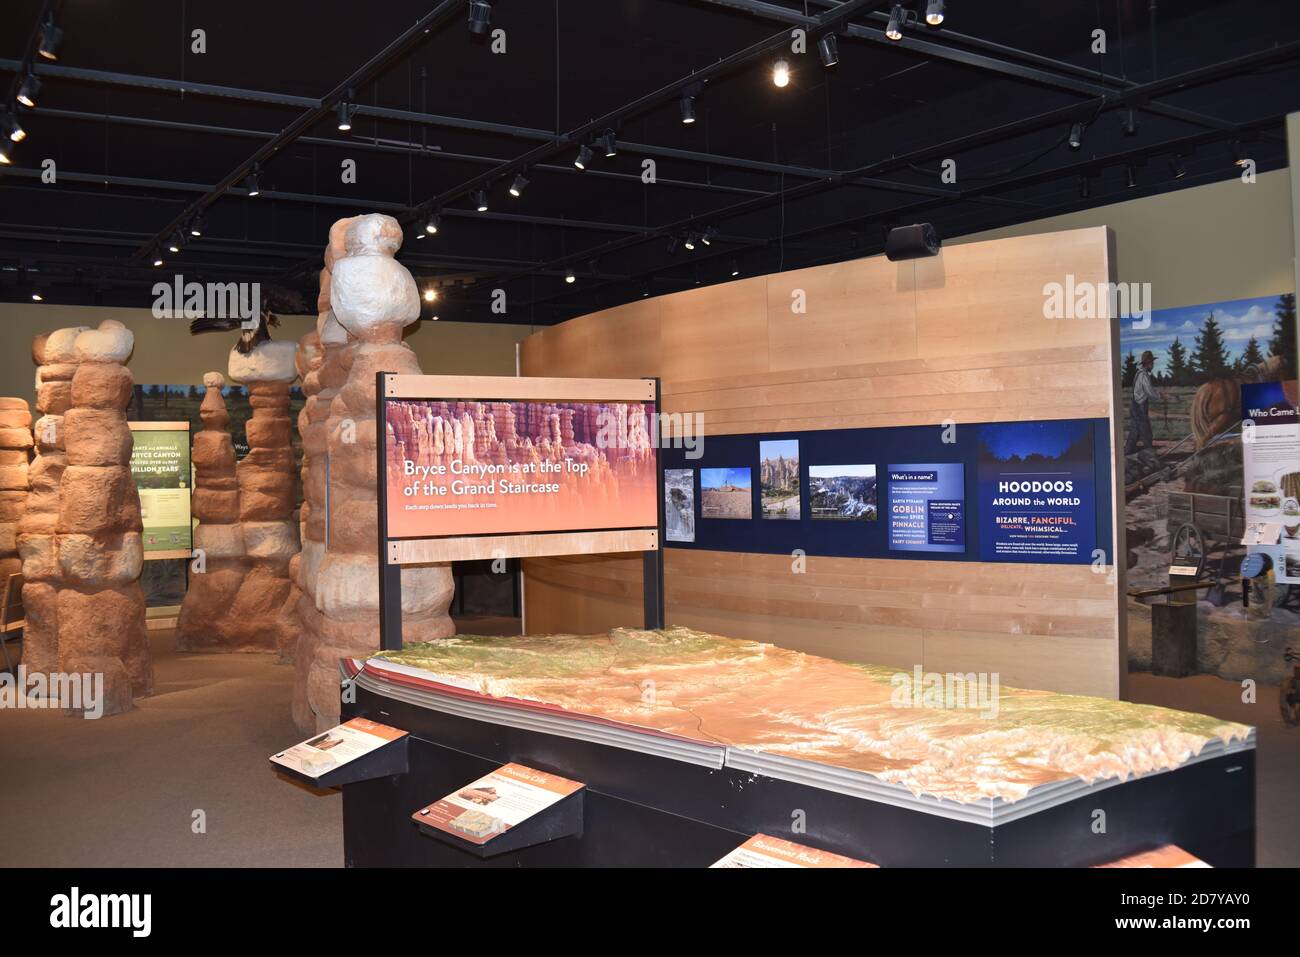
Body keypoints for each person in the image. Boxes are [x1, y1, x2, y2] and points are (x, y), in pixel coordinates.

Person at [1125, 350, 1164, 455]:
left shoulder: (1140, 373)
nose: (1153, 365)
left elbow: (1148, 390)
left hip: (1136, 407)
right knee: (1146, 435)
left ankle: (1125, 456)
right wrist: (1160, 395)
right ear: (1148, 363)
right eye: (1152, 363)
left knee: (1134, 434)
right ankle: (1151, 458)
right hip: (1139, 409)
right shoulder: (1143, 375)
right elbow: (1149, 392)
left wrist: (1158, 393)